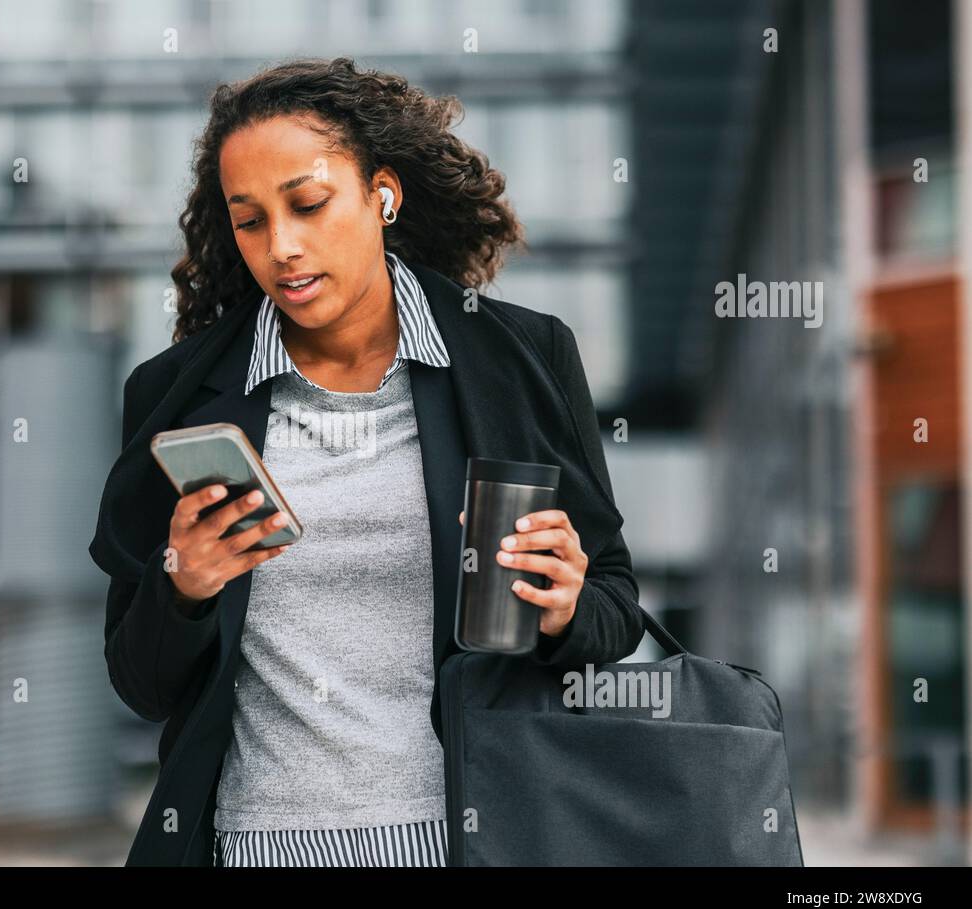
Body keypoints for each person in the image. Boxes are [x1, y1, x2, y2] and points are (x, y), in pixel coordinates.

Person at [88, 56, 642, 867]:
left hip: (473, 843)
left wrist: (561, 606)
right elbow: (140, 685)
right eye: (249, 221)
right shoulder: (176, 395)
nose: (282, 246)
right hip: (252, 850)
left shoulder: (522, 359)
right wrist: (184, 586)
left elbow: (615, 612)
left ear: (382, 193)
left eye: (308, 204)